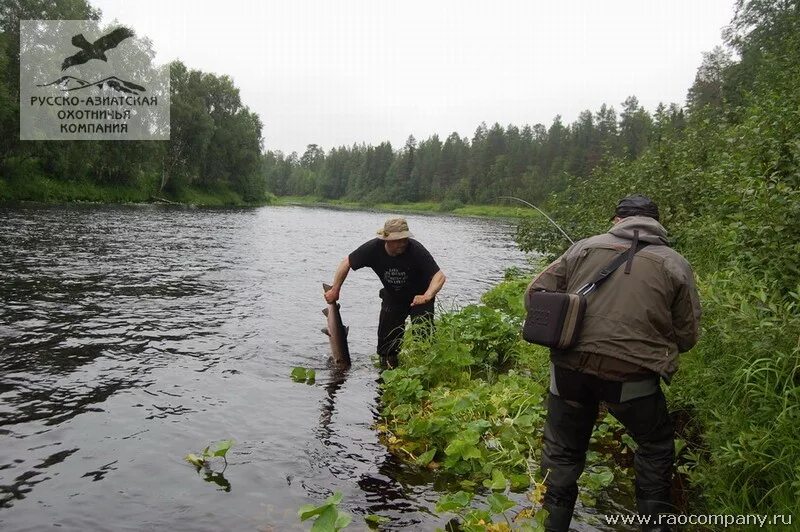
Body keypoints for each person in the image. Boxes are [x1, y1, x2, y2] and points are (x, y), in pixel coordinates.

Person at [525, 195, 701, 532]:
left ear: (616, 218)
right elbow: (688, 334)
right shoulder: (675, 262)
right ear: (657, 222)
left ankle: (553, 526)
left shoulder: (583, 248)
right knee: (654, 445)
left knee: (562, 453)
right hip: (632, 376)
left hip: (570, 370)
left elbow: (535, 295)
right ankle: (653, 525)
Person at [324, 217, 446, 368]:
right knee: (386, 345)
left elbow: (439, 276)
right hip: (393, 297)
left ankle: (425, 370)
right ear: (386, 239)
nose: (403, 243)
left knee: (424, 338)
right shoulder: (373, 249)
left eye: (405, 239)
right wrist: (335, 289)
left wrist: (427, 295)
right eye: (398, 240)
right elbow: (346, 262)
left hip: (420, 298)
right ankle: (388, 373)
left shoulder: (415, 250)